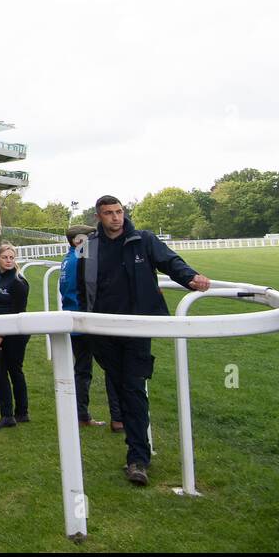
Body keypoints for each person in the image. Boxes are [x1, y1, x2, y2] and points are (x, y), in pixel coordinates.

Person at [76, 195, 210, 485]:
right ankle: (134, 445)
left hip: (137, 329)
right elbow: (80, 288)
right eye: (109, 213)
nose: (116, 217)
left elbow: (170, 262)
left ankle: (138, 459)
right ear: (99, 217)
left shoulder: (143, 240)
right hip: (103, 332)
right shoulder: (88, 247)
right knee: (123, 388)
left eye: (119, 211)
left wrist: (191, 278)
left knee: (134, 390)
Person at [61, 223, 122, 430]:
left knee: (82, 371)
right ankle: (118, 418)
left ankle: (82, 415)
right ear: (78, 241)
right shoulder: (81, 260)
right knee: (113, 367)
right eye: (92, 238)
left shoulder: (67, 259)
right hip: (87, 322)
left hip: (73, 323)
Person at [0, 242, 31, 431]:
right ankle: (7, 415)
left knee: (14, 371)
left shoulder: (19, 282)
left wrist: (1, 336)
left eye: (12, 257)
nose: (9, 260)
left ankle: (21, 412)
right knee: (0, 373)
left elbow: (16, 311)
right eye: (5, 257)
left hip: (14, 335)